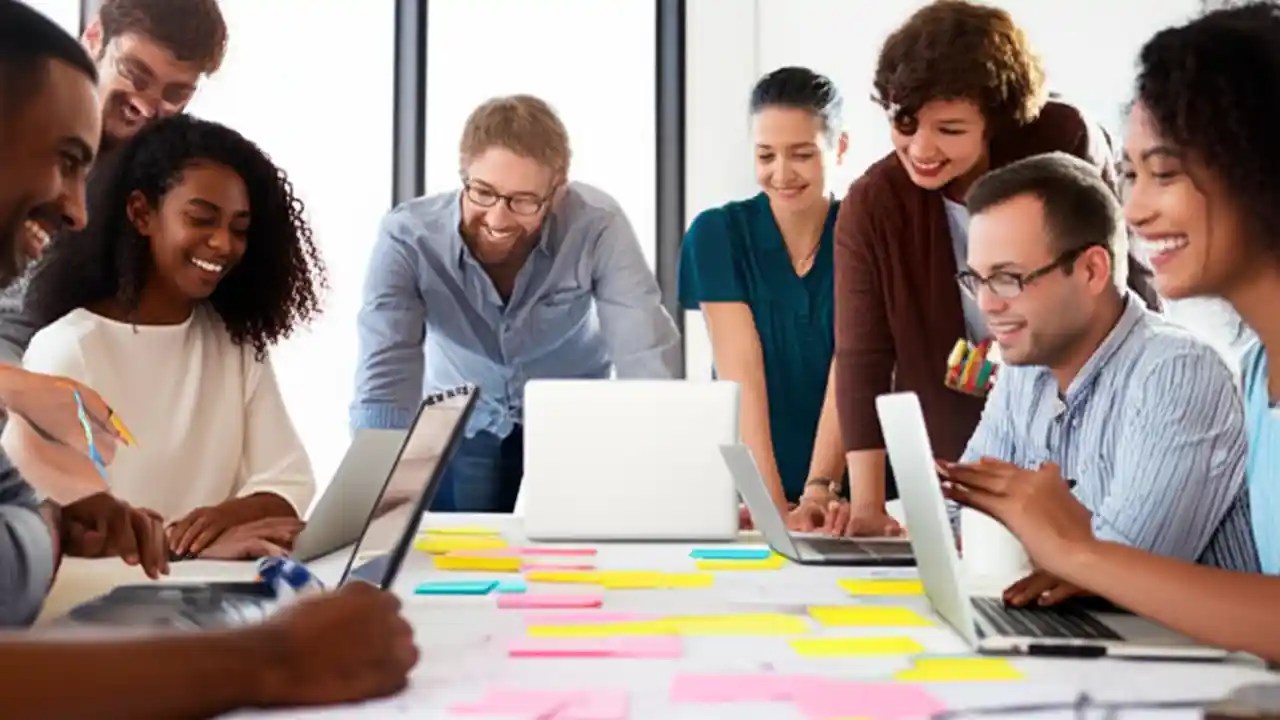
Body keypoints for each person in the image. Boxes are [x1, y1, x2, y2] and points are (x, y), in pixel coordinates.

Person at [0, 5, 417, 714]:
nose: (75, 212)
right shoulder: (66, 340)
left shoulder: (226, 345)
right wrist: (271, 660)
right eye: (66, 161)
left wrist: (54, 524)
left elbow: (11, 529)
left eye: (178, 93)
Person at [942, 2, 1280, 663]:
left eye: (1166, 172)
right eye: (1130, 174)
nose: (1134, 210)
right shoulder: (1256, 372)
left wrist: (1075, 549)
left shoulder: (1190, 369)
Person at [827, 0, 1160, 537]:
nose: (921, 149)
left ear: (996, 121)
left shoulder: (1062, 143)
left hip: (1093, 424)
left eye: (950, 130)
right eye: (904, 123)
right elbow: (862, 355)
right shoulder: (874, 202)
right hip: (964, 439)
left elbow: (1114, 291)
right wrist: (867, 505)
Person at [9, 114, 324, 560]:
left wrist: (224, 517)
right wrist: (190, 551)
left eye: (239, 228)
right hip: (108, 614)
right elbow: (60, 535)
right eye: (202, 219)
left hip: (207, 594)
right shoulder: (69, 347)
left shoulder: (234, 345)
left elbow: (288, 481)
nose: (223, 244)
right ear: (142, 214)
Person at [951, 152, 1257, 608]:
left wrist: (1034, 543)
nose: (988, 305)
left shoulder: (1175, 372)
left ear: (1092, 270)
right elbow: (962, 513)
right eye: (977, 280)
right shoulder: (1025, 364)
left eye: (1009, 278)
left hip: (1181, 658)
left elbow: (1118, 570)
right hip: (1085, 640)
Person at [352, 94, 681, 513]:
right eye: (483, 192)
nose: (498, 219)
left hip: (573, 423)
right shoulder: (408, 238)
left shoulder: (597, 225)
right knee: (464, 562)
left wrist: (667, 468)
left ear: (557, 191)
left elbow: (644, 351)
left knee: (578, 562)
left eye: (524, 201)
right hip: (464, 423)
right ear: (463, 174)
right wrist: (375, 500)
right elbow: (387, 370)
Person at [678, 67, 847, 523]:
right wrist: (770, 505)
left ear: (840, 149)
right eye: (766, 155)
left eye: (802, 154)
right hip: (748, 490)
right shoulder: (716, 233)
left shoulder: (863, 233)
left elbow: (852, 364)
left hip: (845, 495)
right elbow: (740, 372)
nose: (781, 173)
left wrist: (818, 492)